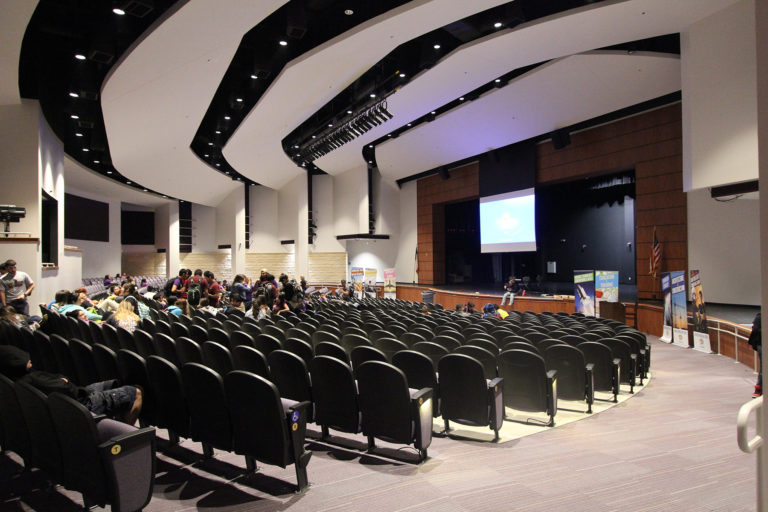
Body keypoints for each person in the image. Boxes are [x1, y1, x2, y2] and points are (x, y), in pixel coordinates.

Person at [0, 345, 142, 424]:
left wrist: (63, 380)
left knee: (117, 383)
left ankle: (114, 422)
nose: (30, 360)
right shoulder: (33, 379)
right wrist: (64, 381)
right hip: (82, 403)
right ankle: (124, 434)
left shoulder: (16, 382)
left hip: (77, 394)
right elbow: (65, 388)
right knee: (135, 392)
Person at [749, 312, 762, 398]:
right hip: (762, 345)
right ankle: (758, 388)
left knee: (763, 367)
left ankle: (758, 389)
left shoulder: (759, 317)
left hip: (760, 345)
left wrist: (751, 343)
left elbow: (754, 331)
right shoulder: (760, 317)